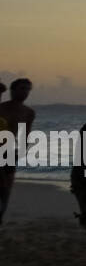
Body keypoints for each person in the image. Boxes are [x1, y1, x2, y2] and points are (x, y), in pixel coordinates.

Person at [0, 79, 36, 226]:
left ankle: (0, 216)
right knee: (1, 184)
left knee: (7, 187)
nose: (25, 92)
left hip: (10, 152)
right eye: (22, 88)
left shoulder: (28, 112)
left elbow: (25, 134)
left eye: (27, 89)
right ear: (13, 90)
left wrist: (21, 151)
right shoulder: (1, 108)